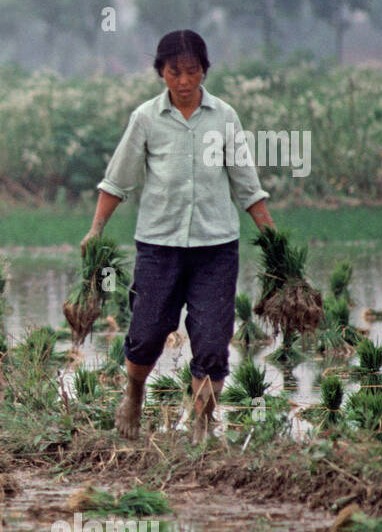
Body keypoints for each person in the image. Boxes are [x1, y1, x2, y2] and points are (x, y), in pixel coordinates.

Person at [83, 29, 276, 442]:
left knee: (211, 340)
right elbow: (117, 181)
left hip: (215, 249)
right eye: (175, 72)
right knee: (147, 331)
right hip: (159, 246)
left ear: (204, 71)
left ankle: (203, 423)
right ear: (161, 72)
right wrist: (96, 229)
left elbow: (246, 185)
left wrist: (273, 240)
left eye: (192, 72)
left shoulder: (224, 117)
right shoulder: (146, 119)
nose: (184, 82)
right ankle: (134, 393)